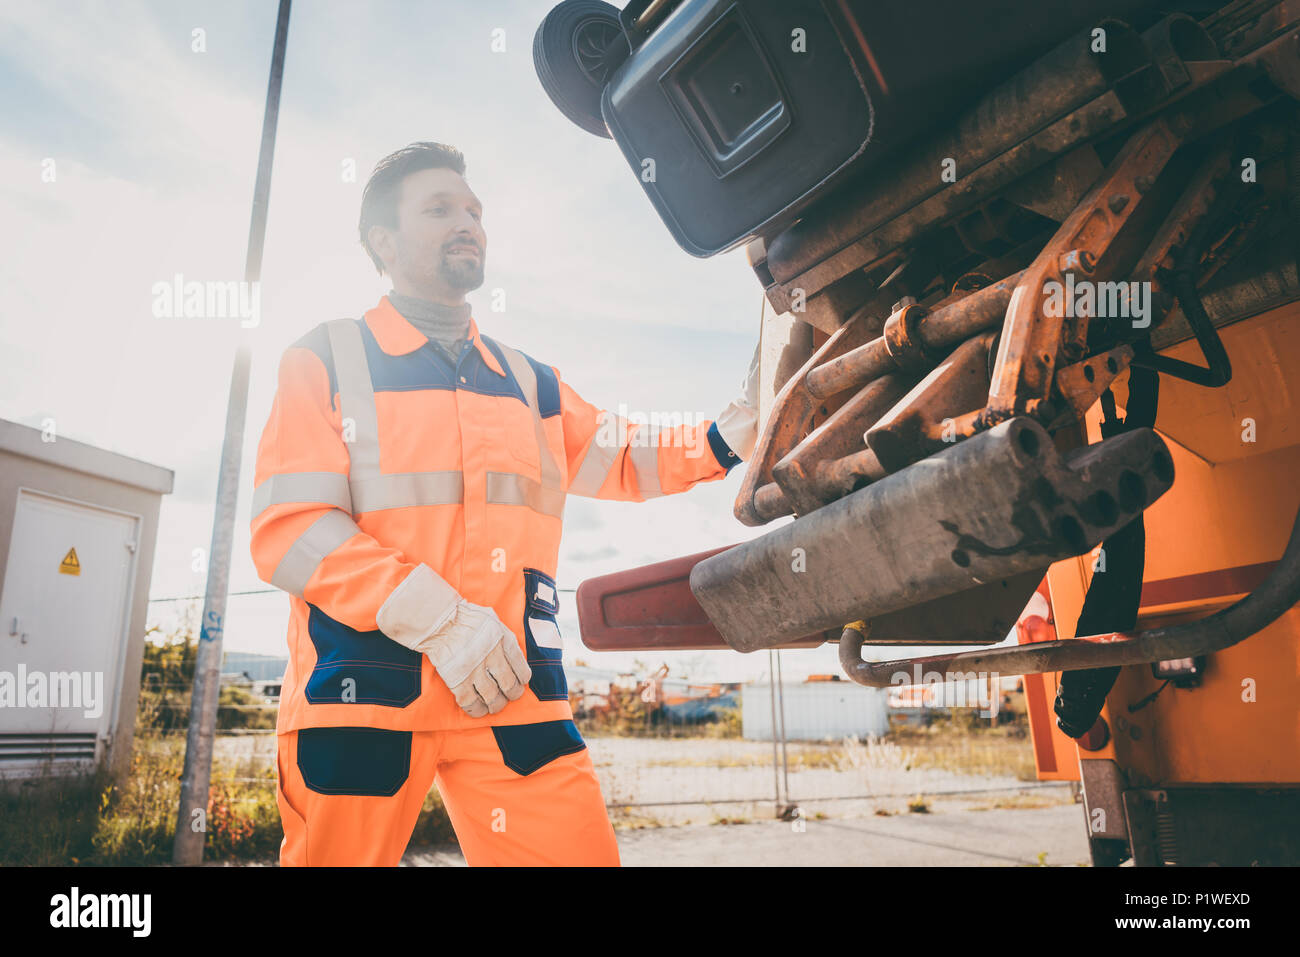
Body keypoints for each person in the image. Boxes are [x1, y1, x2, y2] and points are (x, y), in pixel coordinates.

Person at [249, 141, 760, 866]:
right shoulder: (326, 359)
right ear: (383, 242)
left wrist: (724, 436)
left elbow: (624, 454)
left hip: (513, 695)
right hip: (363, 696)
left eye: (475, 211)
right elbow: (291, 529)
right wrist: (444, 622)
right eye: (440, 209)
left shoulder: (529, 382)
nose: (469, 223)